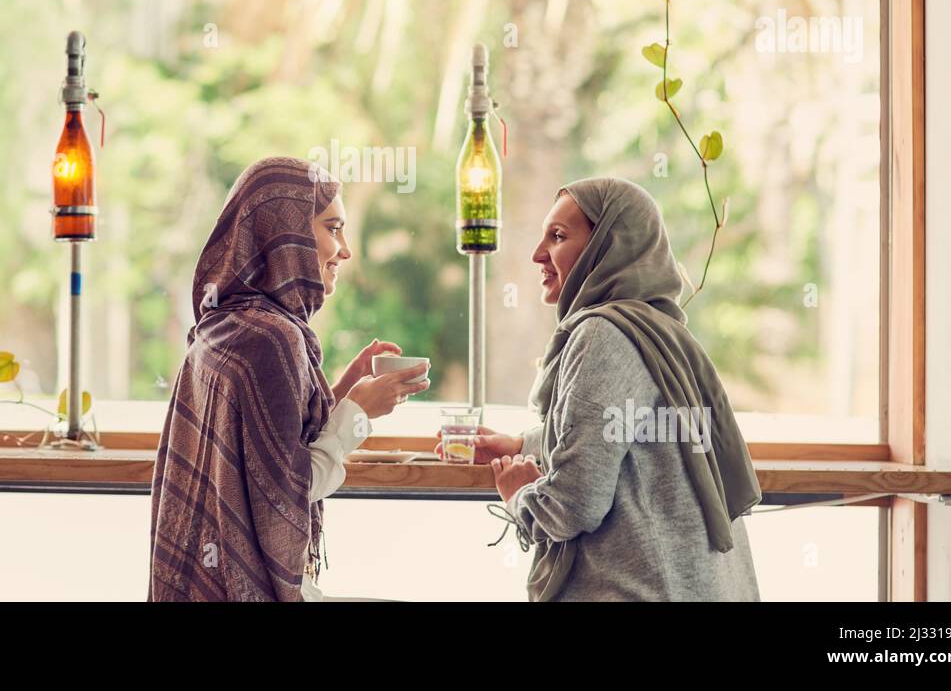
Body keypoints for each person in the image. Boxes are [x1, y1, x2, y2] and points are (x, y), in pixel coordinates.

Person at [450, 176, 762, 601]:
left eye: (557, 237)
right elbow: (621, 429)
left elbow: (574, 504)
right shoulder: (659, 330)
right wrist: (522, 444)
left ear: (607, 247)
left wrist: (519, 495)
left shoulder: (603, 334)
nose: (537, 254)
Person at [150, 156, 429, 601]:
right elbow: (286, 495)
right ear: (285, 236)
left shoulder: (223, 325)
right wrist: (359, 413)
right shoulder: (272, 338)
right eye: (333, 228)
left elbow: (267, 454)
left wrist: (342, 391)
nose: (345, 249)